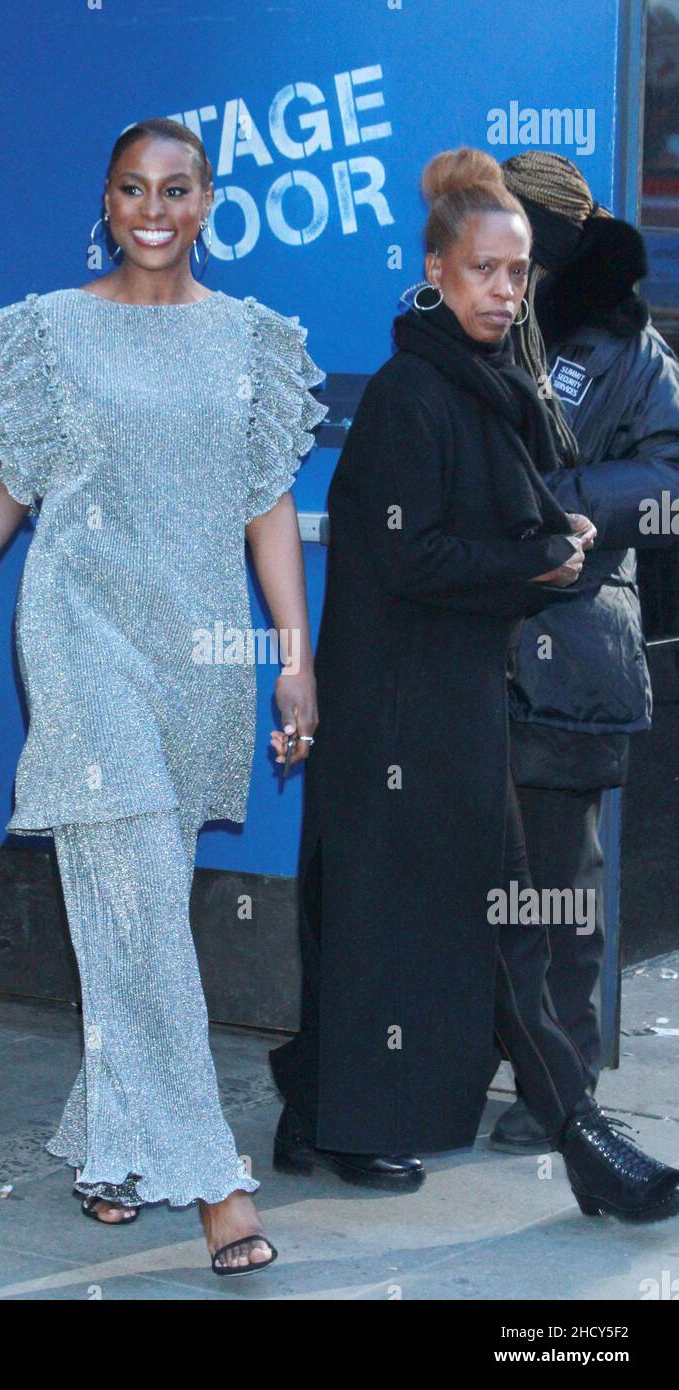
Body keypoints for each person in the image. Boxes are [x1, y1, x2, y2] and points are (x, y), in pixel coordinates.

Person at [0, 118, 327, 1276]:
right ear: (109, 200)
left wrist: (294, 654)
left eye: (177, 188)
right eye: (134, 189)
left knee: (132, 906)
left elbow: (266, 505)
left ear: (207, 201)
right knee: (139, 896)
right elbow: (13, 482)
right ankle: (214, 1185)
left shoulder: (249, 341)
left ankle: (111, 1148)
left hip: (193, 650)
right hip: (80, 633)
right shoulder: (52, 331)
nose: (154, 207)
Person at [269, 147, 679, 1224]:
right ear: (437, 270)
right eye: (487, 270)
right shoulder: (415, 391)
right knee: (389, 921)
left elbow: (501, 513)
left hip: (456, 704)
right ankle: (541, 1134)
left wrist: (562, 527)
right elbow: (415, 558)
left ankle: (327, 1110)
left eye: (520, 272)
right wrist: (535, 564)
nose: (507, 290)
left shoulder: (495, 380)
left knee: (479, 928)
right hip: (401, 709)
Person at [485, 151, 679, 1153]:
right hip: (465, 640)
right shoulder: (460, 309)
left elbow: (670, 475)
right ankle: (455, 1055)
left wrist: (565, 505)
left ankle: (555, 1088)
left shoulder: (628, 351)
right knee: (458, 869)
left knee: (558, 883)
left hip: (573, 639)